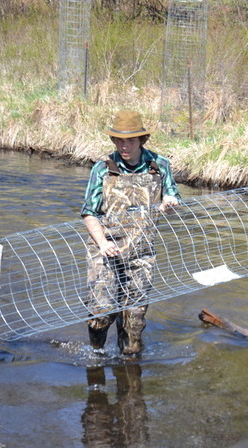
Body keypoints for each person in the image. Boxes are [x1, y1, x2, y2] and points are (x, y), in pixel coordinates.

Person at [81, 110, 180, 355]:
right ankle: (96, 353)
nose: (125, 146)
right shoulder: (103, 168)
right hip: (105, 250)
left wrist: (170, 202)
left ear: (141, 140)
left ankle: (130, 373)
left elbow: (173, 197)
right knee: (101, 314)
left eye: (131, 141)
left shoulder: (160, 165)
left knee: (133, 321)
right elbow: (88, 213)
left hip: (142, 253)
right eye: (120, 141)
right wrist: (103, 243)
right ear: (114, 141)